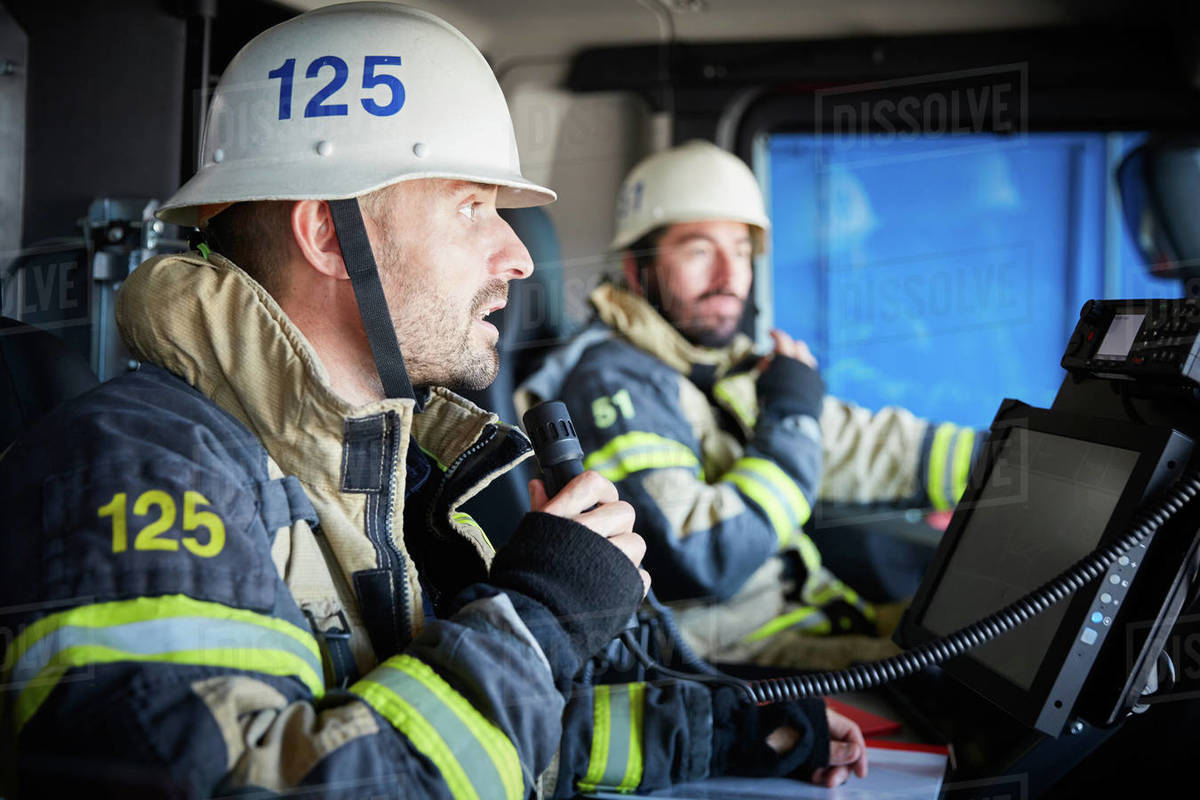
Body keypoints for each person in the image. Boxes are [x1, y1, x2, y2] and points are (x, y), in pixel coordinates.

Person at [0, 6, 869, 798]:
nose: (519, 258)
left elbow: (468, 734)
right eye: (472, 209)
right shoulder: (141, 471)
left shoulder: (373, 472)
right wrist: (541, 620)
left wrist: (726, 733)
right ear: (327, 235)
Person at [517, 139, 982, 672]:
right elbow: (701, 554)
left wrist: (1005, 459)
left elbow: (859, 444)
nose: (728, 276)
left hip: (806, 617)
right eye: (698, 250)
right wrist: (791, 418)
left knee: (986, 643)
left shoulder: (710, 362)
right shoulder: (612, 382)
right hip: (729, 666)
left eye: (740, 250)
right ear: (636, 266)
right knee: (965, 680)